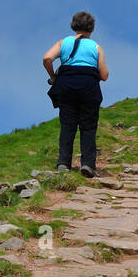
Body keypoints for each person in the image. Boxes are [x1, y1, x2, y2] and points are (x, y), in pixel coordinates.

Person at [42, 11, 109, 177]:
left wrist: (53, 77)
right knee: (88, 127)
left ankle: (64, 163)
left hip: (66, 87)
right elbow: (104, 75)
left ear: (74, 25)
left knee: (67, 126)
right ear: (91, 28)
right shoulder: (96, 47)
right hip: (89, 88)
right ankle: (87, 165)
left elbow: (47, 58)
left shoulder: (64, 42)